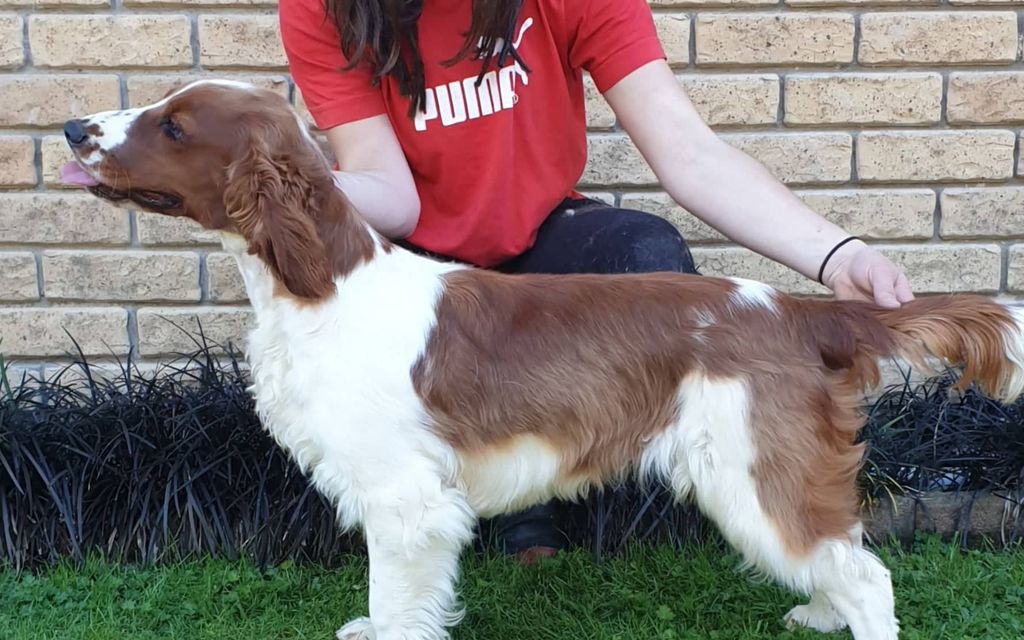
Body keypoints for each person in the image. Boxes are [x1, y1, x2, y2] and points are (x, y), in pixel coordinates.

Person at [278, 0, 916, 560]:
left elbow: (688, 153)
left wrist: (839, 256)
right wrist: (276, 182)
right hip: (422, 272)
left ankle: (601, 488)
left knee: (644, 253)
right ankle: (507, 506)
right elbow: (391, 196)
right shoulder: (327, 8)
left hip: (544, 238)